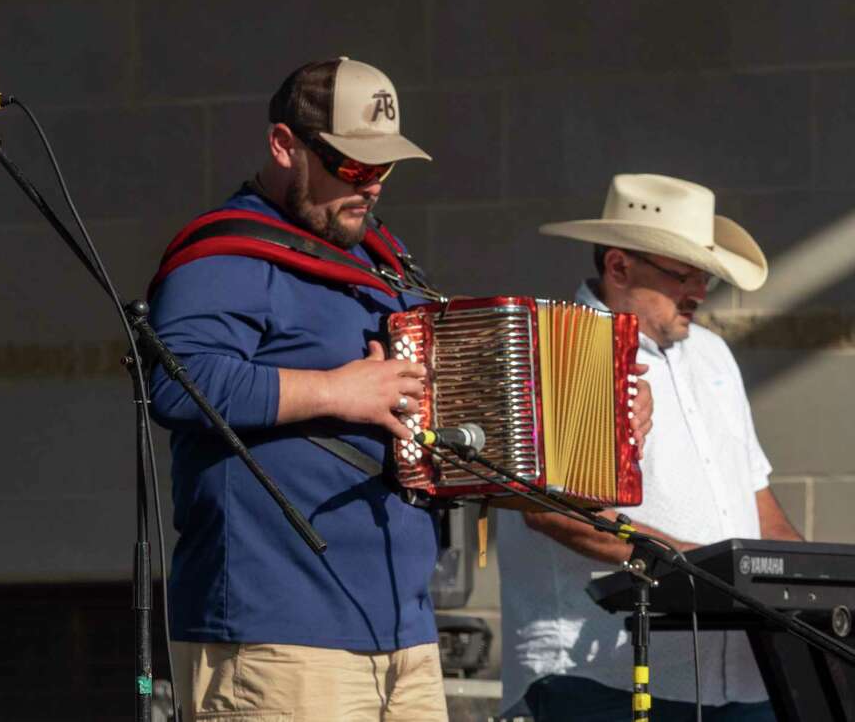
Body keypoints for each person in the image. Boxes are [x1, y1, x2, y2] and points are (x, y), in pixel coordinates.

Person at [147, 58, 651, 721]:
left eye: (384, 167)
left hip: (403, 631)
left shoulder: (384, 259)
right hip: (275, 630)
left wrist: (599, 424)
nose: (373, 185)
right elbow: (180, 386)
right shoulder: (227, 255)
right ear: (284, 145)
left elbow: (442, 434)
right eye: (353, 165)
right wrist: (336, 390)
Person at [498, 174, 802, 722]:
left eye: (704, 277)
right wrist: (699, 570)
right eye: (684, 275)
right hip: (602, 678)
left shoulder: (713, 355)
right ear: (619, 267)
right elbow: (553, 514)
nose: (700, 293)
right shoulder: (557, 348)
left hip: (743, 679)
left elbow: (756, 499)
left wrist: (809, 584)